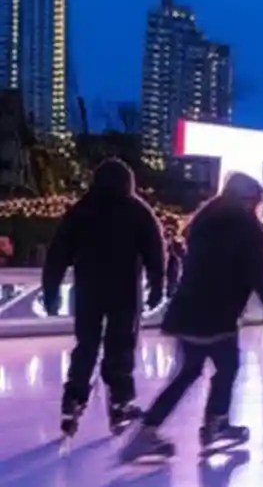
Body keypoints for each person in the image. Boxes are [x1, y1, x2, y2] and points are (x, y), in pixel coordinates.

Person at [119, 173, 263, 462]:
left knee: (191, 371)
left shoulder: (205, 219)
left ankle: (150, 431)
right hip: (218, 313)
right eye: (257, 201)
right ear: (250, 199)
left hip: (189, 308)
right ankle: (214, 422)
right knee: (225, 366)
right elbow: (258, 277)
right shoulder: (247, 226)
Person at [42, 159, 166, 437]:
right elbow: (155, 250)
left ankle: (73, 397)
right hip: (123, 290)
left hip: (89, 289)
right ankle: (121, 401)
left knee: (86, 344)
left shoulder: (81, 210)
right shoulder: (137, 210)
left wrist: (51, 291)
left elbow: (58, 252)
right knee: (120, 344)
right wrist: (158, 285)